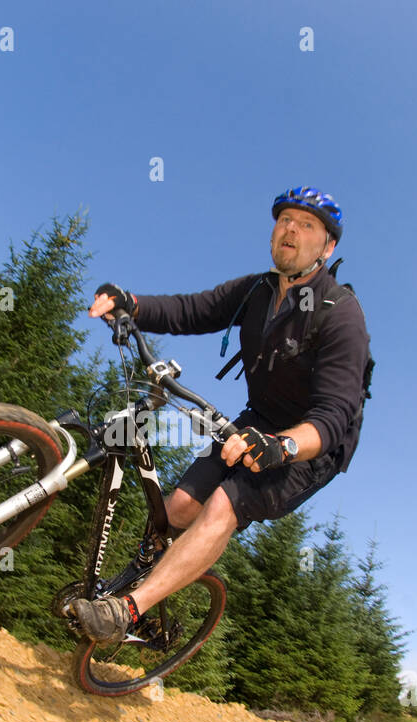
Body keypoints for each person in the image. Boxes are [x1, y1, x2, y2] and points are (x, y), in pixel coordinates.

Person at [70, 187, 372, 644]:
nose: (290, 229)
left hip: (309, 446)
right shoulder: (258, 290)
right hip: (257, 422)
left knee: (225, 504)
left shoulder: (340, 314)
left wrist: (283, 446)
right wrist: (129, 302)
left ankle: (128, 610)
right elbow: (193, 310)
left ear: (328, 248)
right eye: (284, 220)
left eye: (306, 225)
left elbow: (334, 415)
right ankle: (145, 586)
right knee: (176, 508)